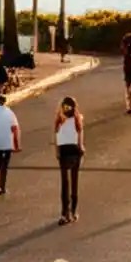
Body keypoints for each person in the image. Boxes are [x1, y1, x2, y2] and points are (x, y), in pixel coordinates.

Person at [54, 96, 85, 225]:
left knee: (64, 184)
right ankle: (73, 212)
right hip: (74, 150)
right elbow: (80, 137)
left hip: (63, 151)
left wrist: (57, 152)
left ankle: (64, 213)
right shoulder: (78, 119)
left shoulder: (59, 120)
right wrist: (81, 149)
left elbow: (56, 137)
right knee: (74, 182)